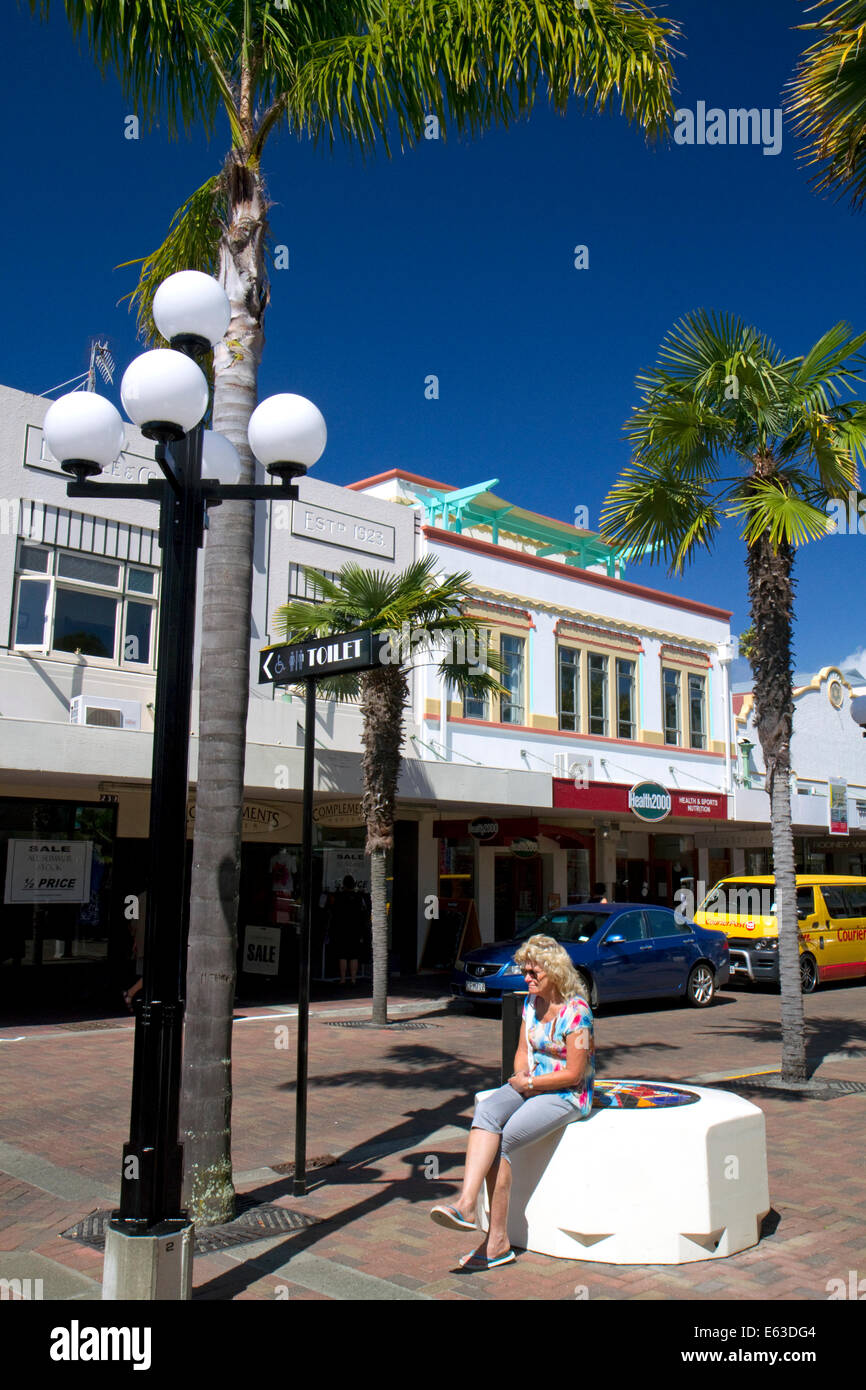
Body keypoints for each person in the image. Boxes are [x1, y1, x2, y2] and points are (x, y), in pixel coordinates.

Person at [430, 933, 595, 1269]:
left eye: (534, 973)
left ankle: (498, 1241)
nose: (527, 978)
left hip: (566, 1094)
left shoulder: (578, 1013)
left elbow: (575, 1074)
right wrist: (524, 1081)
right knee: (488, 1110)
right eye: (525, 971)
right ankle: (465, 1204)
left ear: (556, 972)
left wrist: (531, 1084)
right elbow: (522, 1052)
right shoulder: (530, 1005)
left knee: (502, 1141)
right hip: (533, 1084)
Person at [329, 875, 367, 985]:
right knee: (354, 955)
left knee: (343, 955)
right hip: (355, 929)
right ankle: (353, 979)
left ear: (344, 885)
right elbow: (363, 913)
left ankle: (343, 979)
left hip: (341, 929)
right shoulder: (359, 897)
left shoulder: (338, 897)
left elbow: (334, 912)